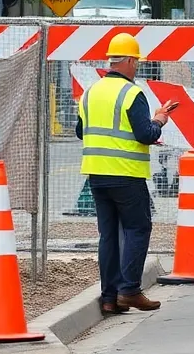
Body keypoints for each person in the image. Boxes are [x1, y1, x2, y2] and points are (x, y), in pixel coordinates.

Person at [75, 33, 178, 316]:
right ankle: (129, 290)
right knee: (137, 229)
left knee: (108, 235)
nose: (137, 67)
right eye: (137, 62)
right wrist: (159, 119)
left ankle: (109, 297)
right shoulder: (132, 94)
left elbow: (79, 131)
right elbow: (145, 134)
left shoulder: (90, 92)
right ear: (130, 61)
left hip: (96, 174)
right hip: (126, 174)